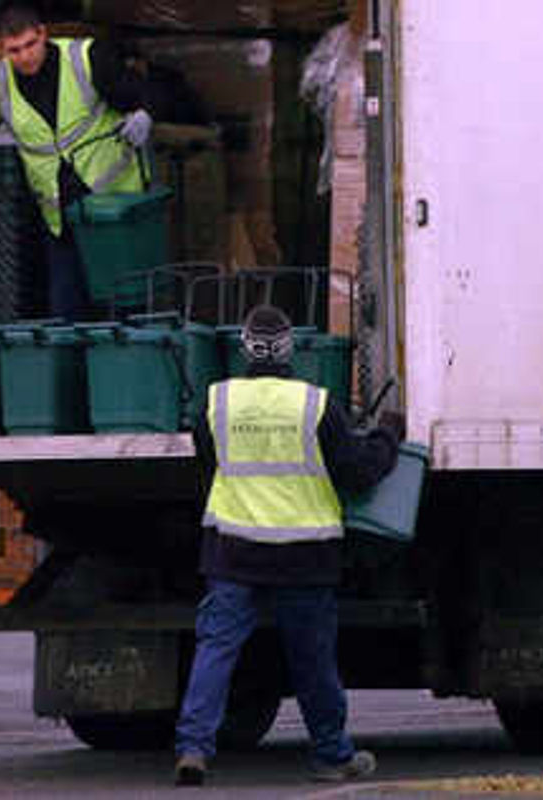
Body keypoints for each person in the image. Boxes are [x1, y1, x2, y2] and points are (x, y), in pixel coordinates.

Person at [174, 304, 403, 787]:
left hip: (233, 550)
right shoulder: (315, 405)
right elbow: (359, 474)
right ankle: (331, 755)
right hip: (304, 554)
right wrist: (388, 435)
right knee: (311, 658)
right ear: (290, 351)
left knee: (216, 648)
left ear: (244, 349)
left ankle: (193, 749)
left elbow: (207, 466)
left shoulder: (218, 403)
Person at [0, 0, 159, 321]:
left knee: (126, 313)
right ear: (0, 49)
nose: (25, 57)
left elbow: (149, 91)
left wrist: (144, 114)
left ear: (43, 33)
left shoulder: (86, 58)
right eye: (14, 50)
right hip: (60, 222)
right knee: (68, 317)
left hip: (115, 214)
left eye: (30, 45)